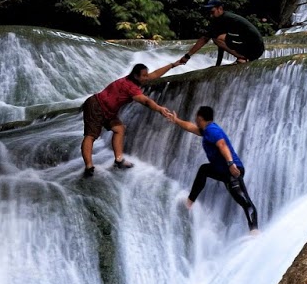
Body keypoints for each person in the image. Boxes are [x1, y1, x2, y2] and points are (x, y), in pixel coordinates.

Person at [161, 104, 259, 232]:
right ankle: (190, 201)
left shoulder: (212, 130)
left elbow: (222, 145)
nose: (195, 119)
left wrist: (231, 164)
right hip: (224, 171)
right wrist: (176, 120)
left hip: (233, 170)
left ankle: (255, 231)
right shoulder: (206, 130)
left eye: (196, 116)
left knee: (245, 202)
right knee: (204, 170)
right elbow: (190, 127)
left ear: (200, 118)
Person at [80, 60, 185, 177]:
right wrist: (160, 109)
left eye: (146, 75)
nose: (146, 78)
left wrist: (173, 65)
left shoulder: (134, 79)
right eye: (144, 76)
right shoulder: (130, 86)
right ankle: (89, 167)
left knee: (119, 129)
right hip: (96, 105)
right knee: (91, 136)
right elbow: (145, 101)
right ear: (136, 76)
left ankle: (119, 160)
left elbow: (155, 74)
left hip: (109, 110)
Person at [183, 0, 266, 66]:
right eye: (209, 13)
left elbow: (205, 39)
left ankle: (243, 58)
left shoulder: (227, 19)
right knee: (218, 38)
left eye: (212, 12)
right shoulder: (220, 19)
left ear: (220, 9)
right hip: (255, 47)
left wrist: (187, 56)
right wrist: (217, 65)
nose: (210, 15)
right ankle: (243, 57)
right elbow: (222, 46)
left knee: (217, 39)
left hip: (255, 47)